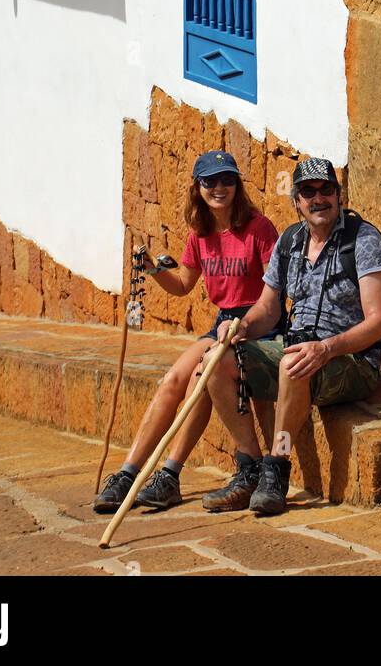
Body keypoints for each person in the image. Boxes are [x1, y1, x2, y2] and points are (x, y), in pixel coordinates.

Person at [201, 156, 381, 517]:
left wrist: (327, 347)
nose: (318, 199)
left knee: (293, 361)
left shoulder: (364, 241)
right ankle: (250, 468)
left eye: (326, 190)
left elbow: (378, 324)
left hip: (351, 360)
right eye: (308, 192)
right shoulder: (290, 241)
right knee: (215, 359)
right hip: (299, 348)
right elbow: (268, 309)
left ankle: (277, 467)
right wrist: (241, 326)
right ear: (296, 201)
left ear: (339, 195)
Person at [93, 149, 281, 515]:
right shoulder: (201, 234)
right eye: (210, 181)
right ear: (198, 188)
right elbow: (181, 284)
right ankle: (129, 473)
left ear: (237, 185)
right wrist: (151, 269)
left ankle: (169, 474)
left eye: (227, 180)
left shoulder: (259, 228)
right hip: (222, 322)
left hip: (258, 324)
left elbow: (276, 289)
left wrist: (247, 324)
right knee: (172, 379)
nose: (219, 187)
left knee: (200, 376)